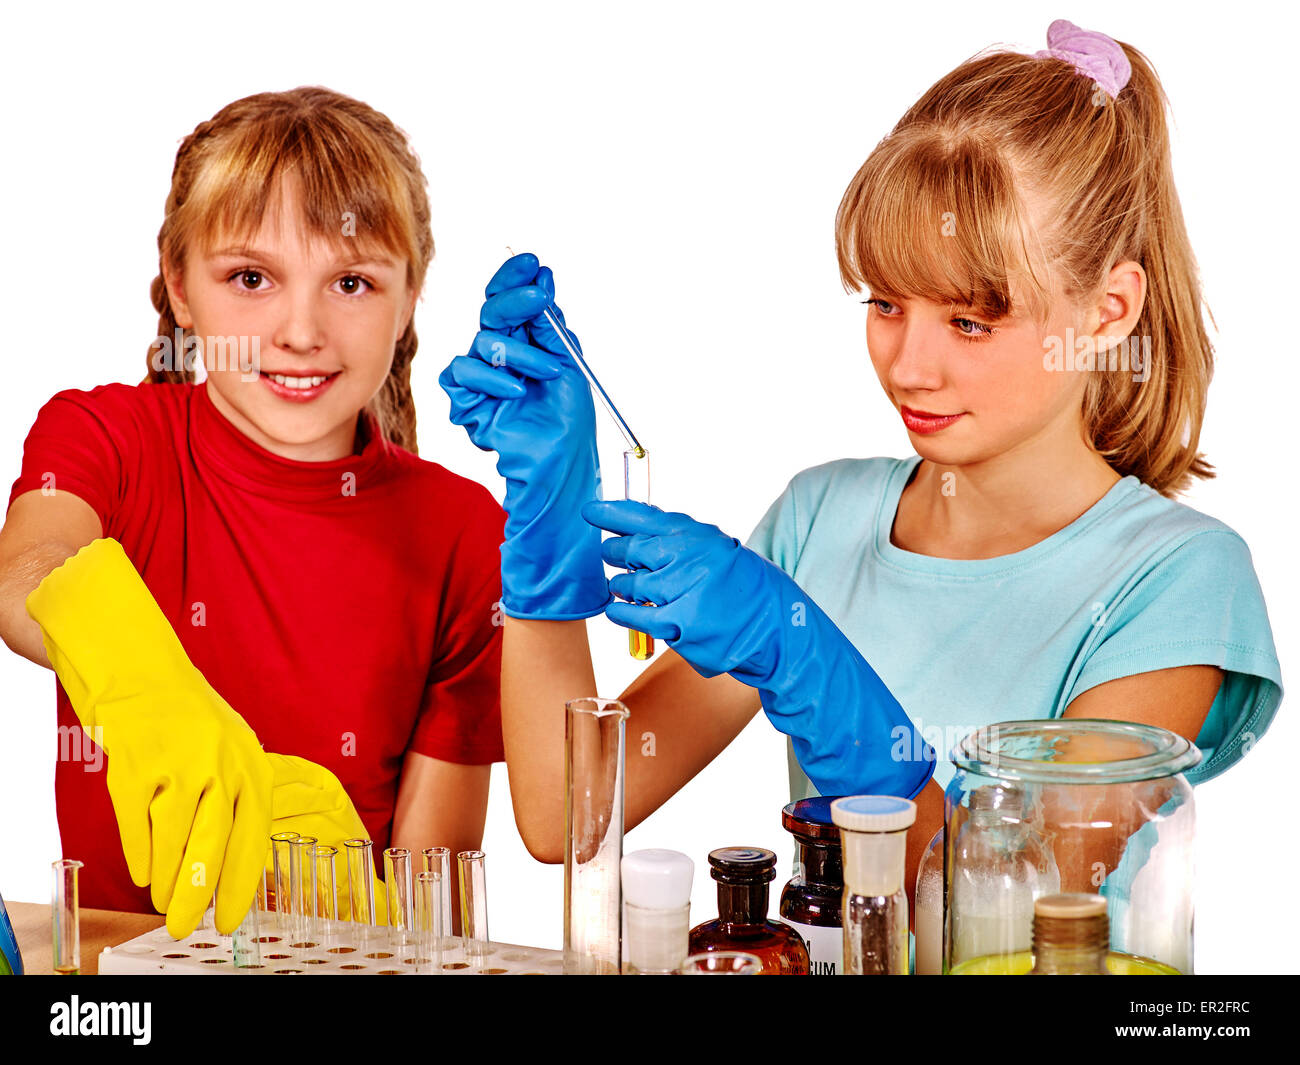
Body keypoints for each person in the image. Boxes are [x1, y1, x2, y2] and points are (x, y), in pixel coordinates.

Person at [439, 20, 1283, 912]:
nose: (908, 365)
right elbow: (566, 816)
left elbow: (995, 909)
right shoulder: (820, 520)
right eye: (886, 301)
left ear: (1108, 310)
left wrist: (805, 660)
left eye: (969, 320)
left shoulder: (1178, 579)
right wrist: (548, 520)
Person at [0, 87, 505, 937]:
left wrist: (352, 915)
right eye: (250, 277)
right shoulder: (105, 438)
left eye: (350, 281)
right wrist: (148, 684)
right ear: (181, 287)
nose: (300, 330)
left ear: (410, 295)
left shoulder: (462, 533)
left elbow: (431, 916)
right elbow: (27, 573)